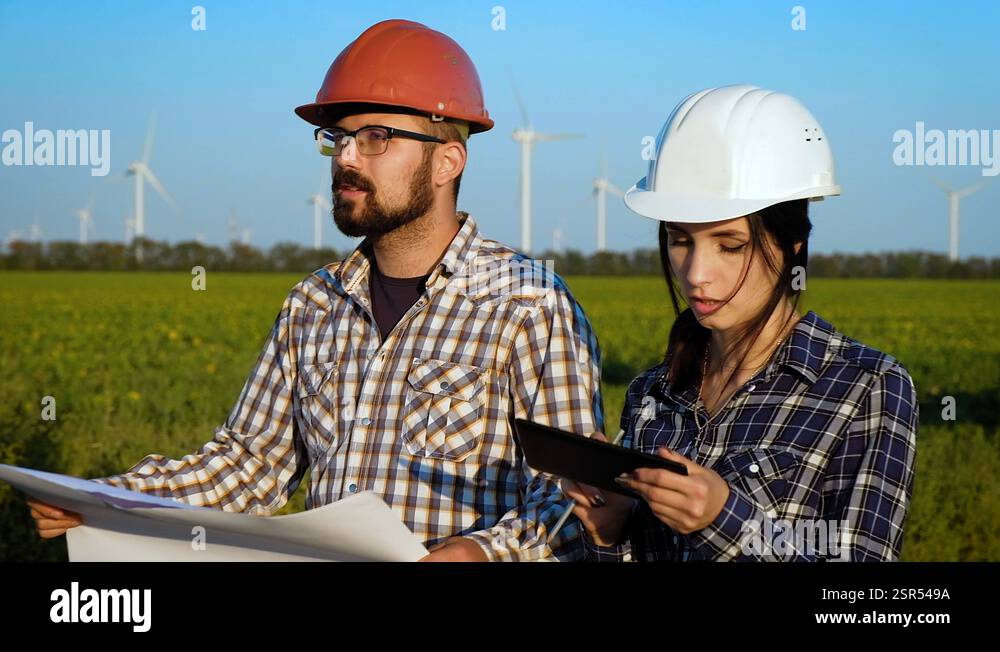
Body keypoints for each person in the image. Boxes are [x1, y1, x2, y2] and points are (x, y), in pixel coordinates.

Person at [27, 19, 604, 562]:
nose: (346, 158)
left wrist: (480, 552)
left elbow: (575, 498)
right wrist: (106, 496)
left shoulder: (528, 304)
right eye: (338, 137)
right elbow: (250, 466)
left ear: (447, 161)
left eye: (376, 137)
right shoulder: (312, 304)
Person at [561, 85, 918, 561]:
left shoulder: (864, 386)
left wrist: (724, 519)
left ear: (792, 243)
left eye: (731, 245)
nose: (696, 274)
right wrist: (610, 531)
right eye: (680, 240)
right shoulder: (652, 393)